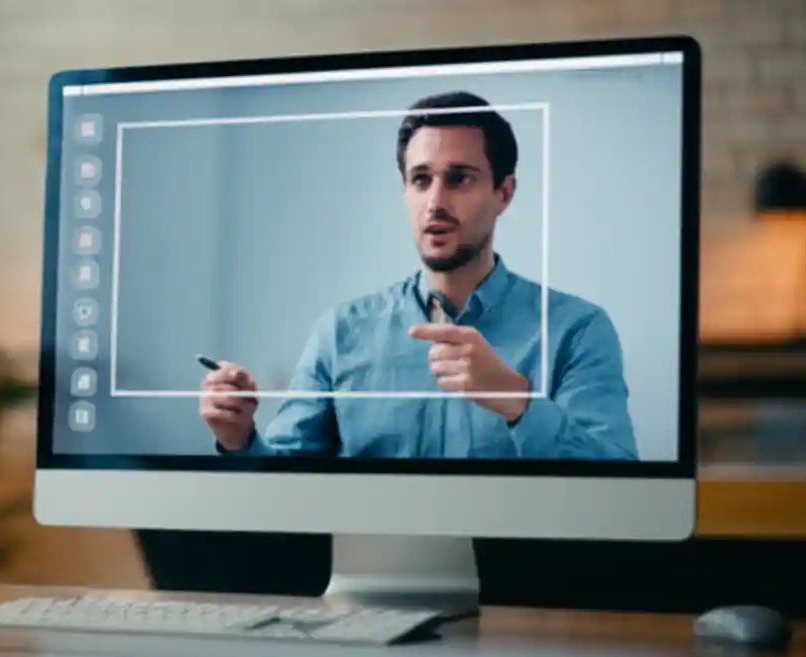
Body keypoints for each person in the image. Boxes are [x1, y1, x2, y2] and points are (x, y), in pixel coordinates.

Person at [198, 91, 638, 460]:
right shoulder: (343, 332)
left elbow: (622, 488)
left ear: (504, 192)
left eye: (460, 179)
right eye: (421, 179)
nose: (435, 202)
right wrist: (240, 439)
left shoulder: (577, 331)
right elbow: (286, 483)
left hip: (520, 565)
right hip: (366, 564)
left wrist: (520, 401)